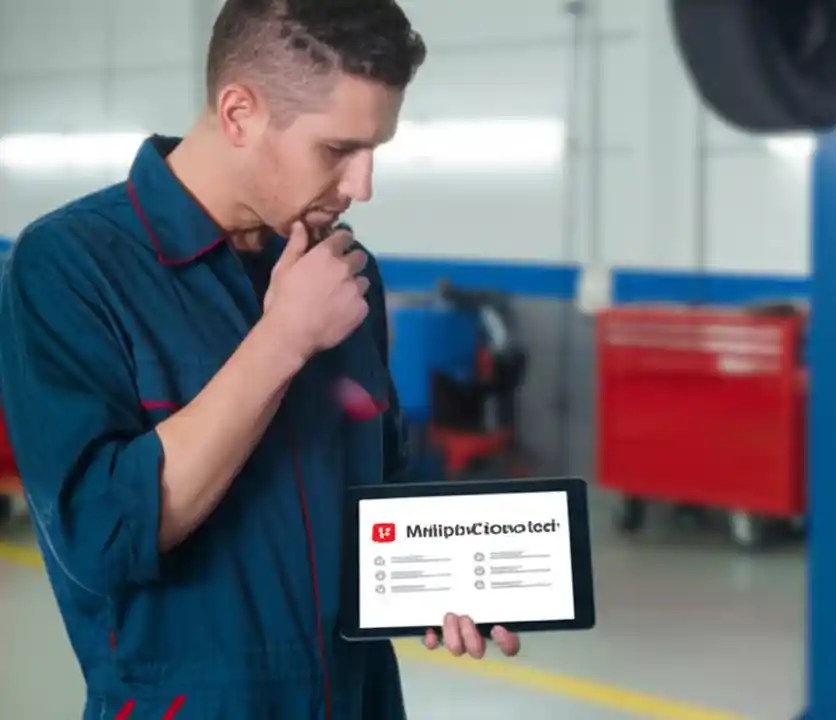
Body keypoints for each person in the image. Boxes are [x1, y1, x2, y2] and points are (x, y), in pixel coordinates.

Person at [0, 1, 519, 718]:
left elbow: (382, 487)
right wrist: (283, 341)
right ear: (239, 113)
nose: (363, 186)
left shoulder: (344, 269)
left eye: (376, 150)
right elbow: (99, 537)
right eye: (338, 151)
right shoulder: (71, 265)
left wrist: (440, 580)